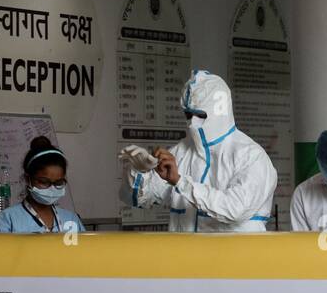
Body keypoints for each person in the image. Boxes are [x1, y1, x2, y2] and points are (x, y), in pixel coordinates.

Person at [119, 68, 277, 232]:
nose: (192, 124)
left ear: (220, 112)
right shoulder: (180, 152)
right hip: (183, 257)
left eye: (200, 115)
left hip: (236, 257)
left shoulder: (251, 156)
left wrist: (181, 182)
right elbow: (135, 200)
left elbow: (234, 209)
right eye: (188, 115)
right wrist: (140, 172)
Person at [0, 136, 86, 234]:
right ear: (28, 179)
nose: (51, 188)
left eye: (58, 183)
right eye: (44, 182)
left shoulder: (71, 220)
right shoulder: (6, 221)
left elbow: (84, 249)